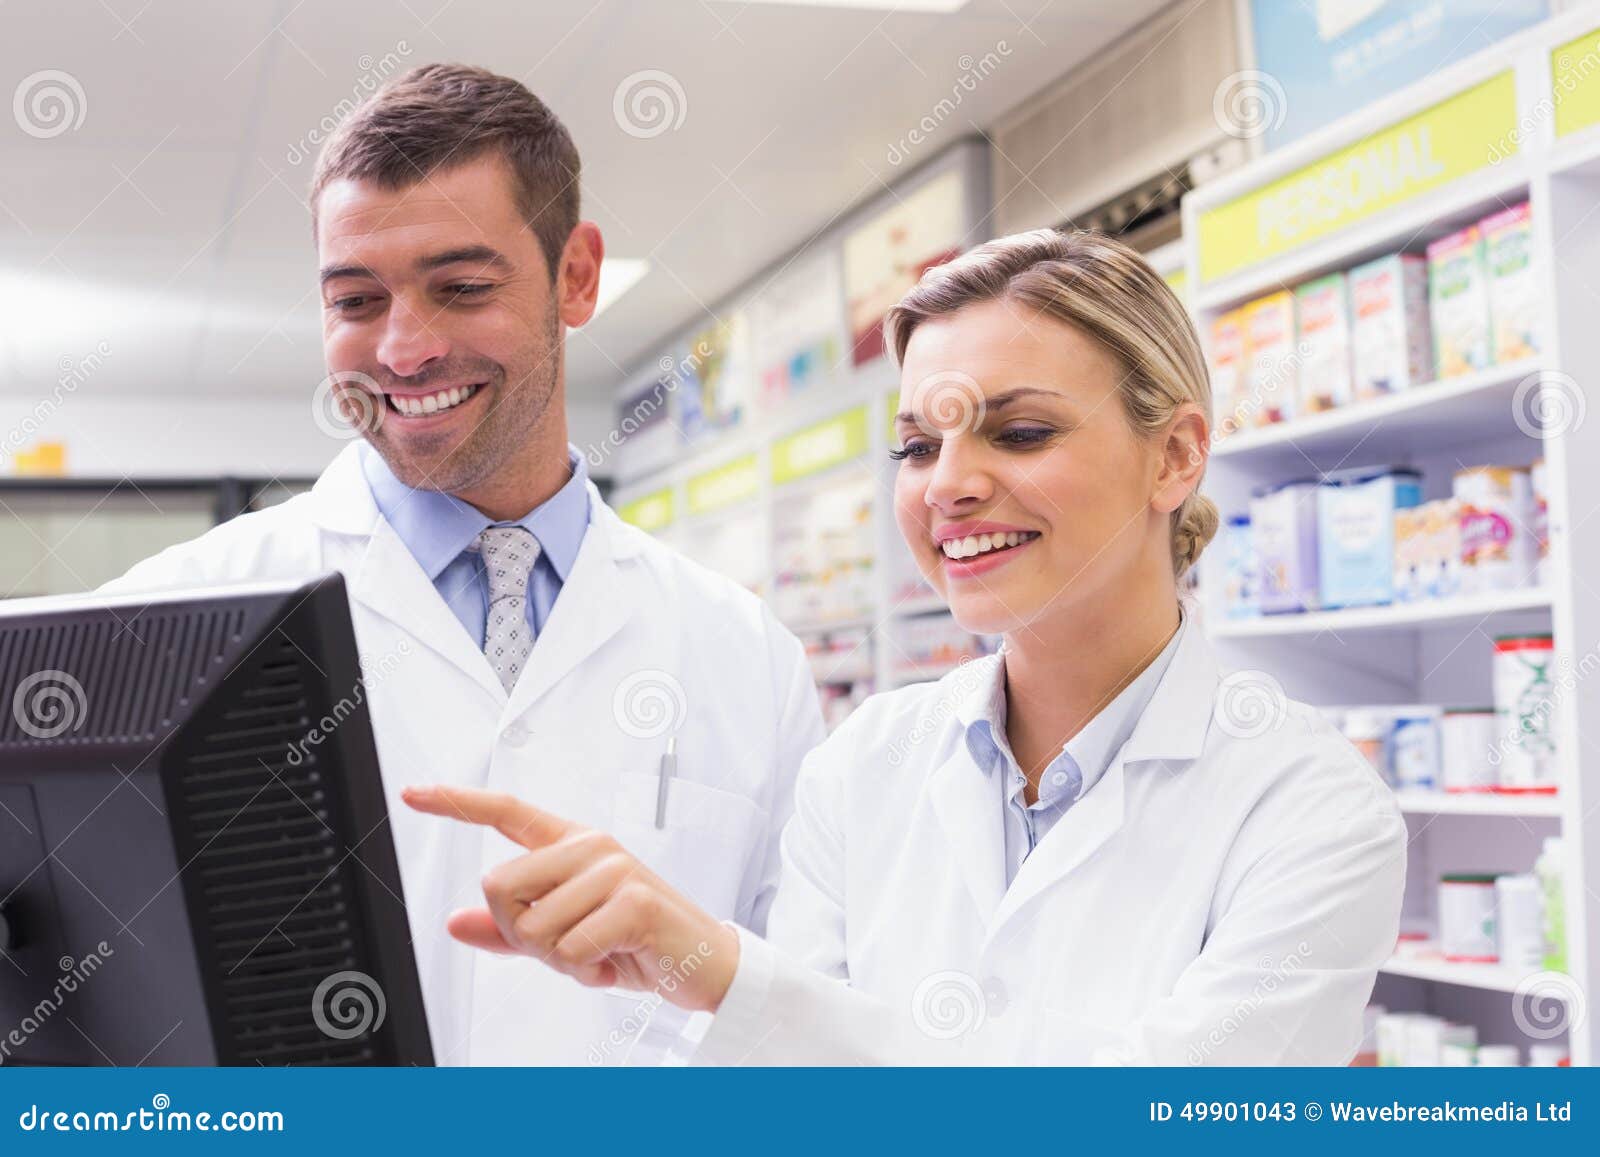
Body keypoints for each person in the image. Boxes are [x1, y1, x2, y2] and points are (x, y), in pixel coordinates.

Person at [404, 229, 1409, 1065]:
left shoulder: (1312, 808)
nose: (947, 487)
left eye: (1017, 433)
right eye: (918, 446)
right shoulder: (862, 762)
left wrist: (728, 971)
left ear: (1176, 455)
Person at [98, 64, 825, 1066]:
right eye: (356, 299)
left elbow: (806, 1013)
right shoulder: (166, 622)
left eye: (462, 287)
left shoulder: (746, 654)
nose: (401, 349)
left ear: (576, 276)